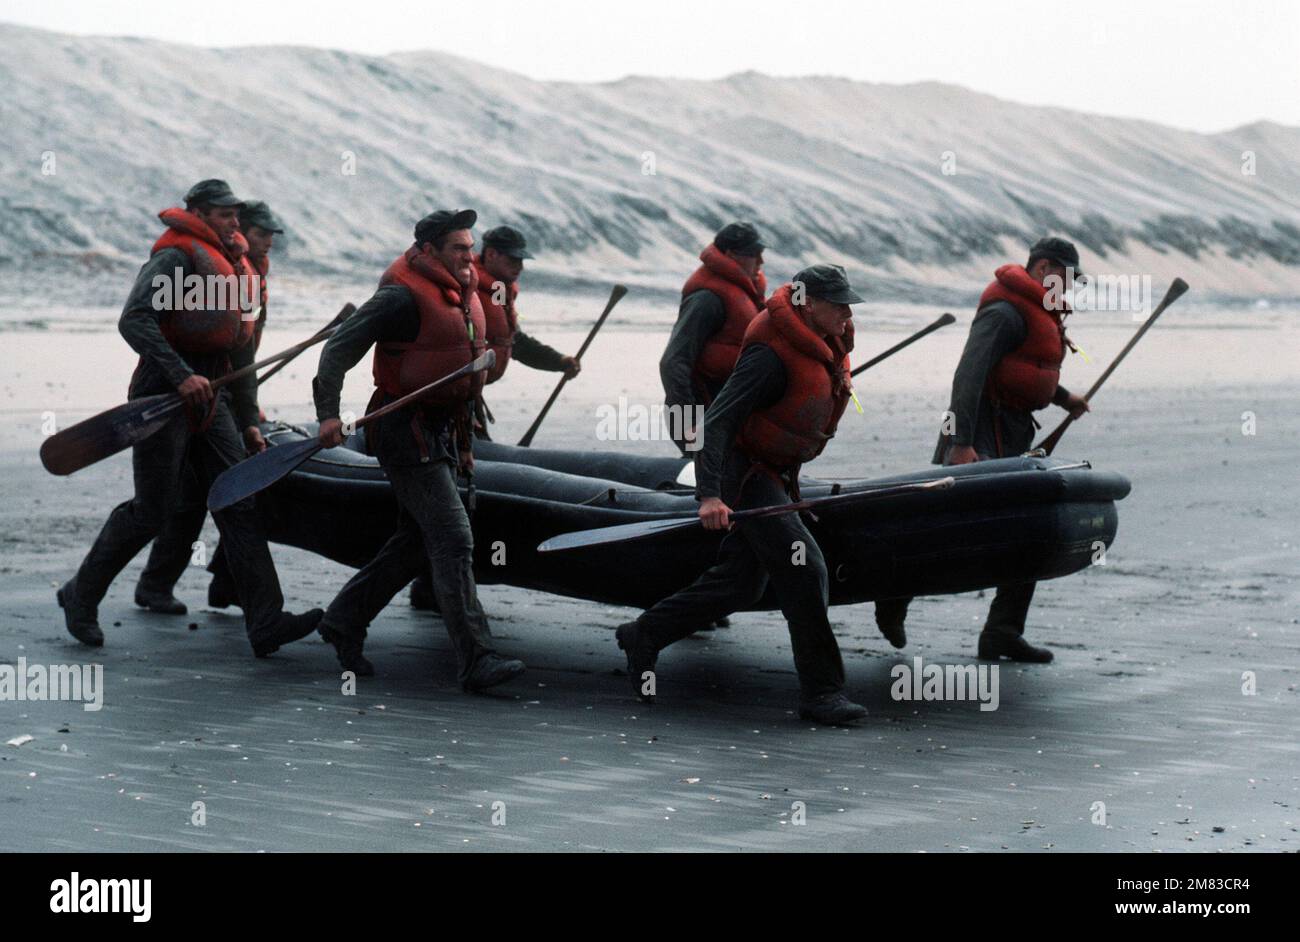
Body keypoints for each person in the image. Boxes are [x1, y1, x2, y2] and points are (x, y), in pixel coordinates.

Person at [56, 179, 322, 655]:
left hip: (213, 393)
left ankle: (266, 622)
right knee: (152, 510)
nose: (234, 223)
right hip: (162, 390)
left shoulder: (236, 266)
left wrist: (248, 421)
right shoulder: (176, 259)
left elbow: (240, 351)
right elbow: (134, 319)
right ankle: (80, 594)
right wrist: (180, 376)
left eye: (237, 216)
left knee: (240, 497)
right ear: (198, 213)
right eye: (224, 215)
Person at [615, 265, 869, 725]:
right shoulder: (769, 356)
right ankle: (822, 693)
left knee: (742, 581)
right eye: (840, 304)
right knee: (804, 566)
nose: (848, 313)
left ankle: (645, 634)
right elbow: (717, 422)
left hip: (773, 471)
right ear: (808, 304)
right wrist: (709, 496)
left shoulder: (824, 343)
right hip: (743, 472)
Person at [312, 209, 526, 692]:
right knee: (453, 538)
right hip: (401, 429)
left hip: (442, 429)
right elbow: (337, 349)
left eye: (471, 247)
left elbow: (465, 379)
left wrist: (467, 444)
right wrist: (329, 413)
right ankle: (477, 659)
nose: (469, 256)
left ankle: (343, 620)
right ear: (429, 251)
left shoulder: (461, 290)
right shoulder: (400, 296)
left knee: (415, 541)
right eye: (458, 247)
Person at [923, 236, 1091, 662]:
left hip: (1014, 430)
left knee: (1028, 529)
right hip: (978, 427)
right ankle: (896, 597)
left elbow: (1027, 367)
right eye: (1066, 278)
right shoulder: (1004, 311)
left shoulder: (1039, 311)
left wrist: (1063, 397)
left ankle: (1002, 631)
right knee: (947, 530)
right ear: (1044, 268)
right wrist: (961, 444)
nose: (1068, 289)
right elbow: (968, 375)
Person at [406, 224, 580, 610]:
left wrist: (557, 362)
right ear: (492, 255)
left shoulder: (497, 292)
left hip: (469, 402)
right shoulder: (471, 293)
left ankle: (440, 581)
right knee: (456, 493)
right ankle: (432, 584)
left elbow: (512, 343)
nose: (519, 266)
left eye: (522, 259)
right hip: (452, 405)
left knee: (464, 492)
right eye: (513, 258)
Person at [133, 201, 286, 615]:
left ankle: (230, 587)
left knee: (230, 494)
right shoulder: (206, 266)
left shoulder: (248, 275)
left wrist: (248, 411)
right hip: (194, 392)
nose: (267, 243)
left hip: (226, 394)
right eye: (260, 235)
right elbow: (141, 320)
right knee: (185, 498)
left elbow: (244, 351)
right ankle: (156, 583)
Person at [659, 222, 767, 454]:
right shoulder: (707, 299)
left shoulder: (747, 291)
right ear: (731, 255)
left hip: (732, 411)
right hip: (706, 412)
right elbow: (672, 362)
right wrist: (689, 429)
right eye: (753, 254)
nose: (761, 262)